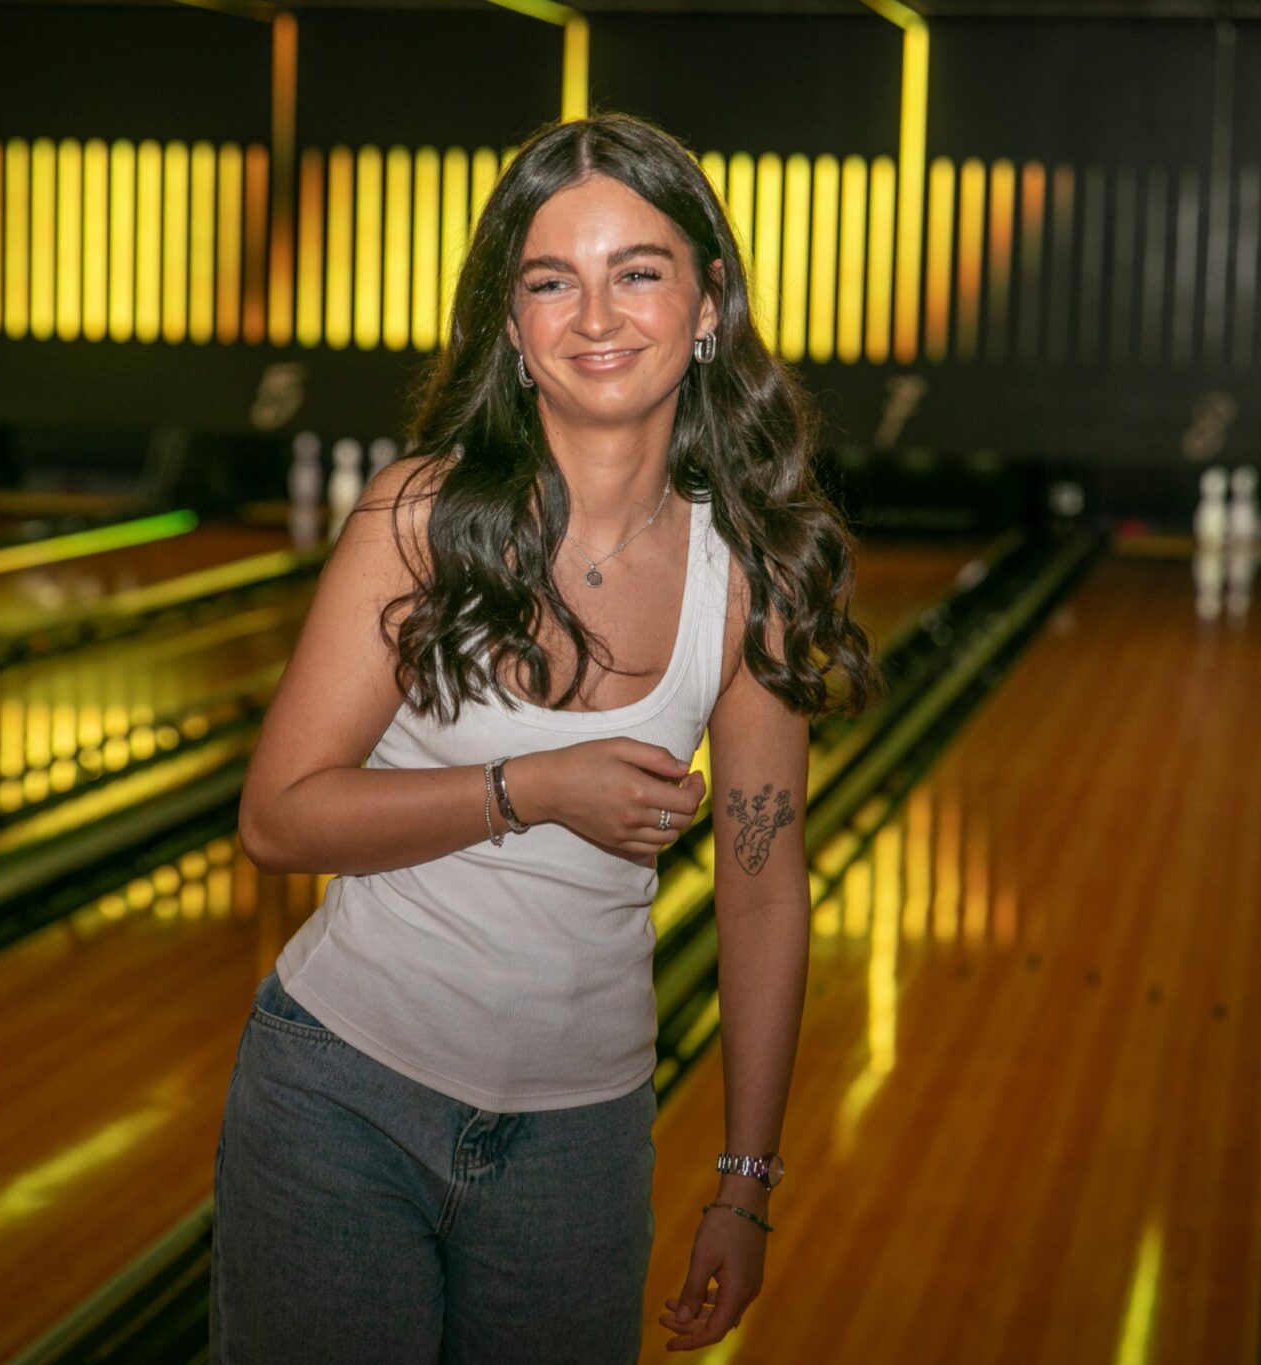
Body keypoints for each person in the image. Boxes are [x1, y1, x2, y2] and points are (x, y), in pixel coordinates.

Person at [215, 110, 883, 1363]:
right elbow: (277, 818)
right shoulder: (416, 520)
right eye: (550, 281)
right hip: (337, 1099)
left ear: (706, 307)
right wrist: (529, 787)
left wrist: (745, 1178)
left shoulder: (748, 583)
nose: (595, 316)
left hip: (578, 1147)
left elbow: (760, 888)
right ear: (512, 328)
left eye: (637, 271)